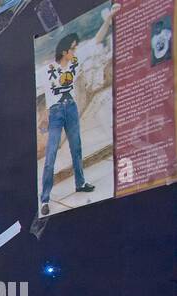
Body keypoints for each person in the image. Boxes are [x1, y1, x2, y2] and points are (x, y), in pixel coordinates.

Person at [38, 8, 115, 217]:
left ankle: (80, 182)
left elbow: (96, 42)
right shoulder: (47, 70)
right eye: (72, 48)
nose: (75, 50)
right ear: (64, 51)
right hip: (55, 112)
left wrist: (107, 20)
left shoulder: (75, 61)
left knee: (77, 147)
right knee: (51, 155)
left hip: (70, 107)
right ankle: (44, 199)